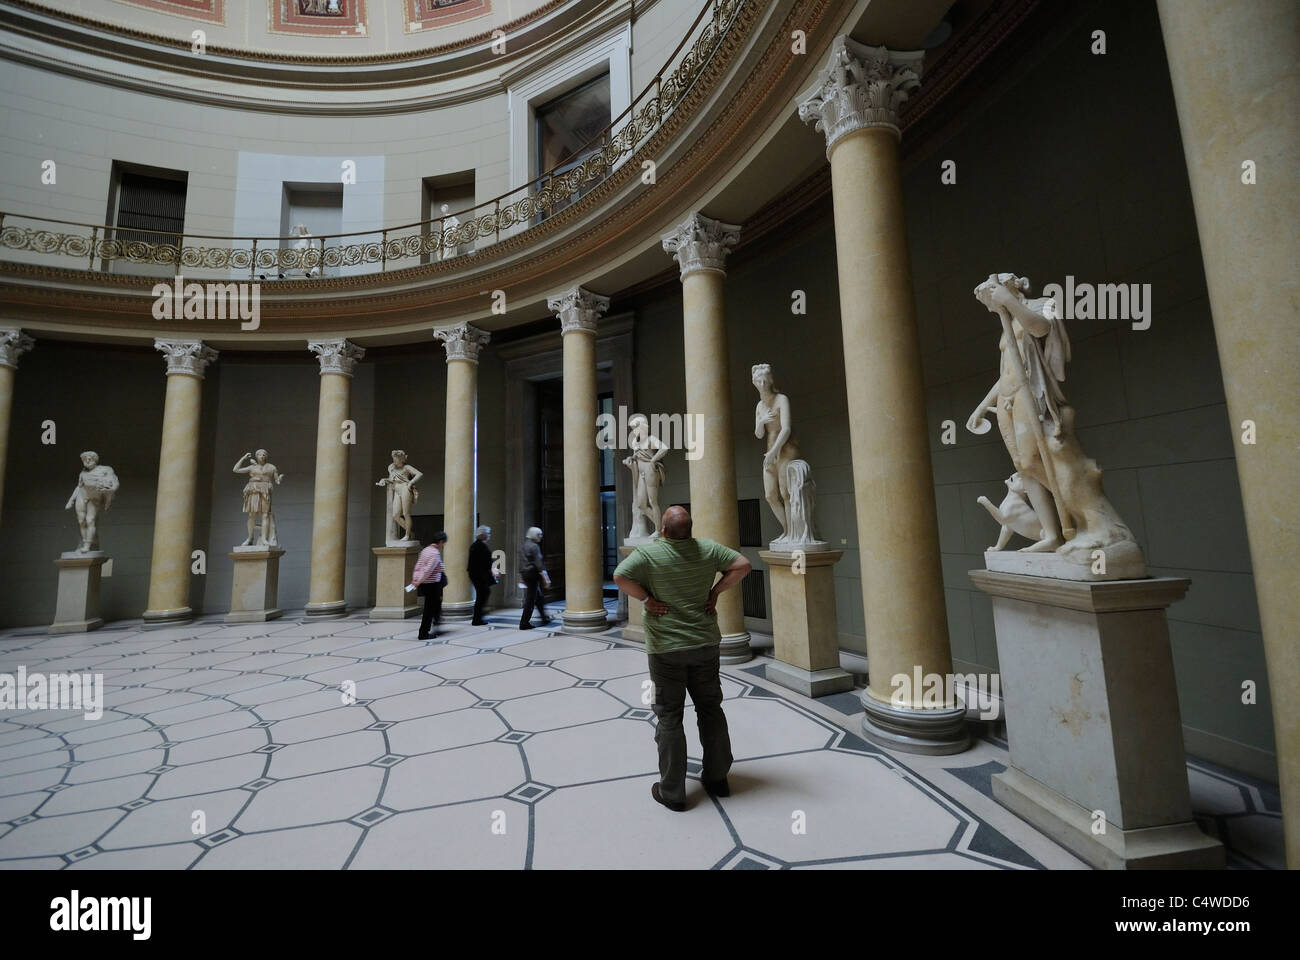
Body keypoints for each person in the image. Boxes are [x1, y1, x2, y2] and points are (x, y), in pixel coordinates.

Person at [613, 506, 752, 812]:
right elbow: (742, 565)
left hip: (666, 649)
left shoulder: (650, 554)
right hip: (704, 643)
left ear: (663, 529)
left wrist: (648, 600)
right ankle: (717, 778)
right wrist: (716, 591)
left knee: (669, 717)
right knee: (710, 709)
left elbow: (620, 576)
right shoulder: (708, 549)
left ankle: (672, 792)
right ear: (689, 529)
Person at [410, 531, 448, 640]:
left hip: (425, 584)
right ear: (440, 542)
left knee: (433, 607)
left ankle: (432, 626)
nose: (443, 546)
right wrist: (418, 581)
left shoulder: (425, 550)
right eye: (444, 543)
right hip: (432, 585)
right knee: (429, 610)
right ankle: (423, 633)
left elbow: (418, 566)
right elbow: (427, 570)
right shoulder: (434, 553)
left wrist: (415, 578)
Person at [518, 526, 552, 629]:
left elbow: (521, 563)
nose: (541, 536)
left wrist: (522, 577)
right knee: (531, 600)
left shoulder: (523, 546)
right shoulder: (534, 547)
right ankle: (524, 623)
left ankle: (544, 618)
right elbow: (539, 564)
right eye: (539, 534)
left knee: (538, 597)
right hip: (533, 575)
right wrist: (546, 579)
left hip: (525, 574)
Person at [468, 525, 497, 625]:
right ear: (483, 535)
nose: (490, 535)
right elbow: (486, 562)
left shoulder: (475, 545)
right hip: (479, 575)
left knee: (483, 594)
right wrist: (493, 572)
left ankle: (478, 617)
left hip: (476, 574)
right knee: (483, 595)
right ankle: (477, 618)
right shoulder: (481, 546)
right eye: (488, 533)